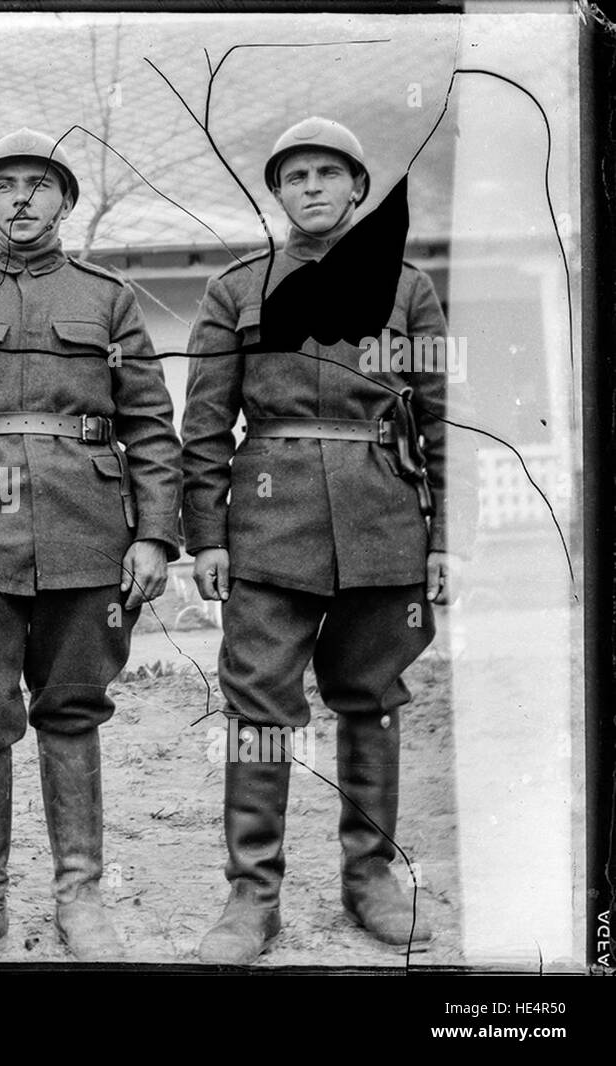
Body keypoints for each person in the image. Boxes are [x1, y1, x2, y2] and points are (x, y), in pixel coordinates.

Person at [180, 116, 468, 964]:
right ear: (277, 193)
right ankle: (252, 895)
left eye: (326, 173)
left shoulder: (407, 287)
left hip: (384, 519)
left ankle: (371, 878)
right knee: (258, 711)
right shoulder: (236, 288)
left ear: (355, 189)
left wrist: (443, 539)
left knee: (371, 699)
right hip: (267, 527)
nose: (310, 187)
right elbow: (204, 427)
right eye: (293, 176)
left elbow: (442, 419)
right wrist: (209, 537)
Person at [0, 129, 184, 961]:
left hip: (86, 530)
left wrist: (154, 534)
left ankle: (79, 895)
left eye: (39, 185)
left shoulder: (109, 298)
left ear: (65, 201)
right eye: (5, 186)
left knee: (72, 712)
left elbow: (151, 428)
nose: (21, 199)